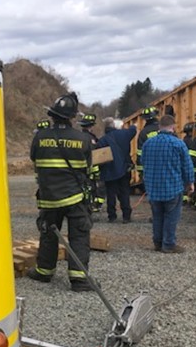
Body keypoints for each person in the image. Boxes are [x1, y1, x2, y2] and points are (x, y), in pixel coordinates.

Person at [26, 93, 95, 292]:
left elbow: (34, 159)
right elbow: (87, 169)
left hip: (48, 198)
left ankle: (45, 271)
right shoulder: (82, 139)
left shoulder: (40, 137)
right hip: (75, 197)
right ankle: (79, 278)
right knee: (79, 235)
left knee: (48, 234)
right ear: (72, 117)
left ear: (52, 115)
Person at [141, 114, 194, 253]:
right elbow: (187, 166)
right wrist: (190, 183)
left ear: (159, 126)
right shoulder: (178, 143)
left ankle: (158, 243)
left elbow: (143, 163)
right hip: (172, 186)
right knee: (171, 217)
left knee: (157, 216)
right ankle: (169, 244)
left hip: (153, 188)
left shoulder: (148, 143)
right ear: (173, 126)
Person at [97, 117, 138, 223]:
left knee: (111, 194)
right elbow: (133, 130)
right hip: (124, 169)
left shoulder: (102, 140)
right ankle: (126, 216)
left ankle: (112, 216)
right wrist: (132, 125)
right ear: (114, 126)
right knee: (124, 193)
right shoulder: (123, 134)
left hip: (109, 171)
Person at [79, 114, 106, 213]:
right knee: (93, 188)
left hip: (80, 168)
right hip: (92, 168)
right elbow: (95, 154)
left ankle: (85, 206)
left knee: (83, 187)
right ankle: (92, 206)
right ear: (91, 126)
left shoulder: (78, 137)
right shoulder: (92, 139)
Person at [135, 106, 160, 188]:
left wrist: (141, 173)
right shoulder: (164, 128)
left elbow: (140, 154)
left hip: (150, 169)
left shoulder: (143, 133)